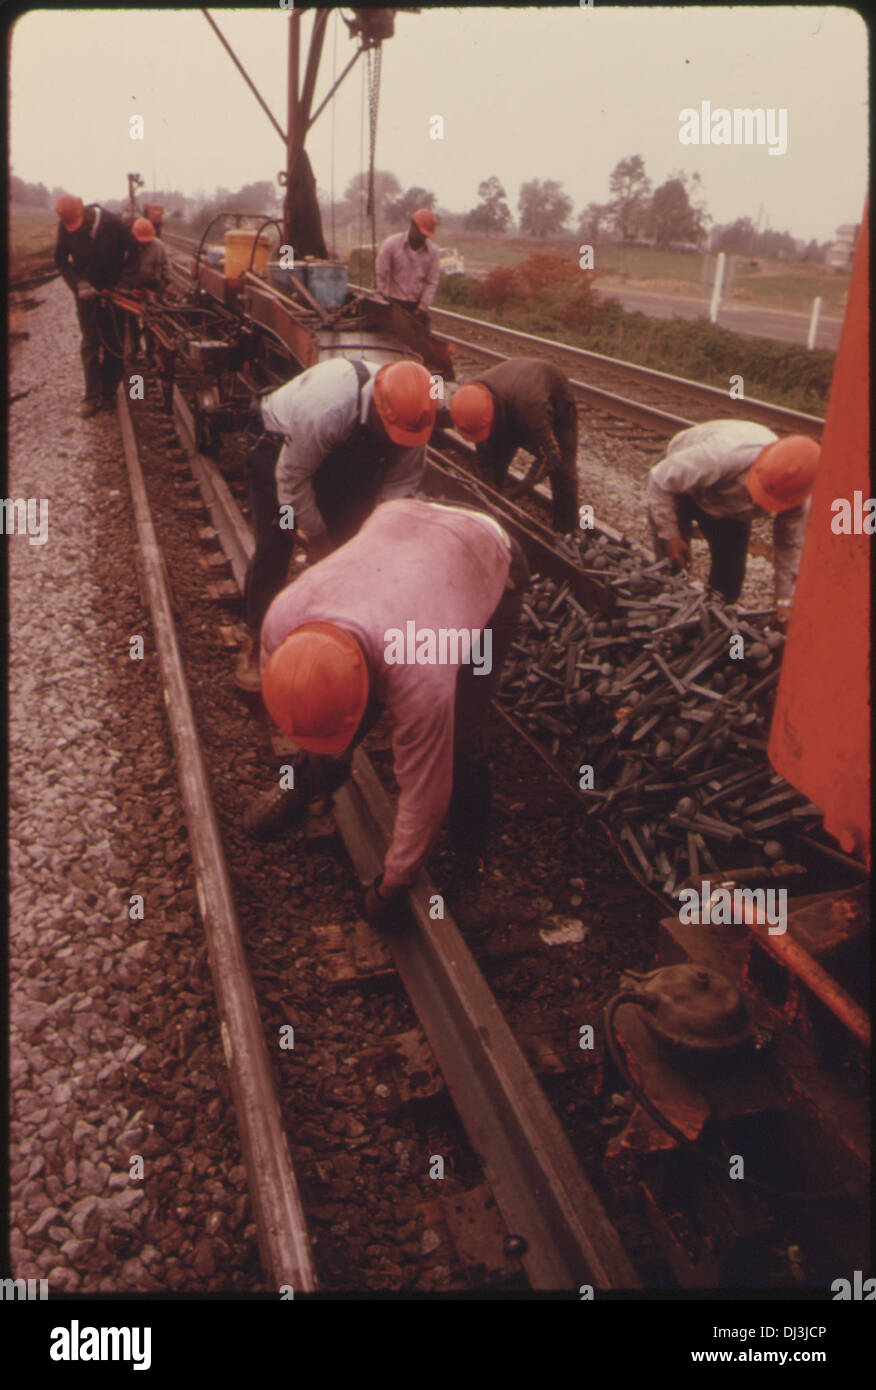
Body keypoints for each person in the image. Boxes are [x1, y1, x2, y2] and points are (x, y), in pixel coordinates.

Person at [252, 498, 530, 931]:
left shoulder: (423, 672)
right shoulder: (282, 619)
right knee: (320, 697)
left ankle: (471, 861)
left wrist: (393, 881)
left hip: (489, 553)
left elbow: (424, 788)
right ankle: (303, 782)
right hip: (401, 521)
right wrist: (323, 756)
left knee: (462, 735)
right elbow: (303, 704)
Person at [235, 357, 437, 691]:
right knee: (276, 542)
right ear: (376, 407)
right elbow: (292, 481)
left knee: (349, 546)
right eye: (390, 431)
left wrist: (376, 540)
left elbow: (399, 488)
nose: (397, 439)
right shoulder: (327, 408)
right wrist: (316, 538)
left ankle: (336, 643)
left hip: (341, 455)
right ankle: (254, 638)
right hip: (278, 450)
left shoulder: (415, 417)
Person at [646, 422, 820, 621]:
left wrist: (784, 601)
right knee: (671, 570)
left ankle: (708, 630)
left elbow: (789, 547)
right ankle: (665, 624)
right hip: (681, 489)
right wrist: (670, 536)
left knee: (728, 586)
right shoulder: (720, 455)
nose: (757, 502)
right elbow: (660, 480)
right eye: (760, 493)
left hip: (731, 510)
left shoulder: (796, 496)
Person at [449, 358, 580, 533]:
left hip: (553, 398)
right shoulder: (472, 396)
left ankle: (568, 530)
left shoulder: (531, 410)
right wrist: (491, 489)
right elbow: (484, 448)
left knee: (563, 470)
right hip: (511, 397)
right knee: (496, 456)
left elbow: (551, 457)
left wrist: (515, 492)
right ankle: (491, 513)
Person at [54, 194, 139, 416]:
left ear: (83, 210)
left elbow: (135, 253)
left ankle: (109, 393)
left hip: (114, 295)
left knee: (114, 345)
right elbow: (61, 262)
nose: (71, 227)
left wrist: (124, 284)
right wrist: (78, 284)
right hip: (86, 298)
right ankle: (91, 397)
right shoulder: (65, 228)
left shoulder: (113, 224)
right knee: (90, 345)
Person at [375, 209, 440, 324]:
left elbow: (432, 282)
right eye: (421, 234)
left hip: (417, 307)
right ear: (412, 226)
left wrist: (422, 308)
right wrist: (381, 298)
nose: (423, 238)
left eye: (426, 236)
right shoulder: (391, 244)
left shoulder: (433, 252)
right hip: (392, 303)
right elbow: (379, 274)